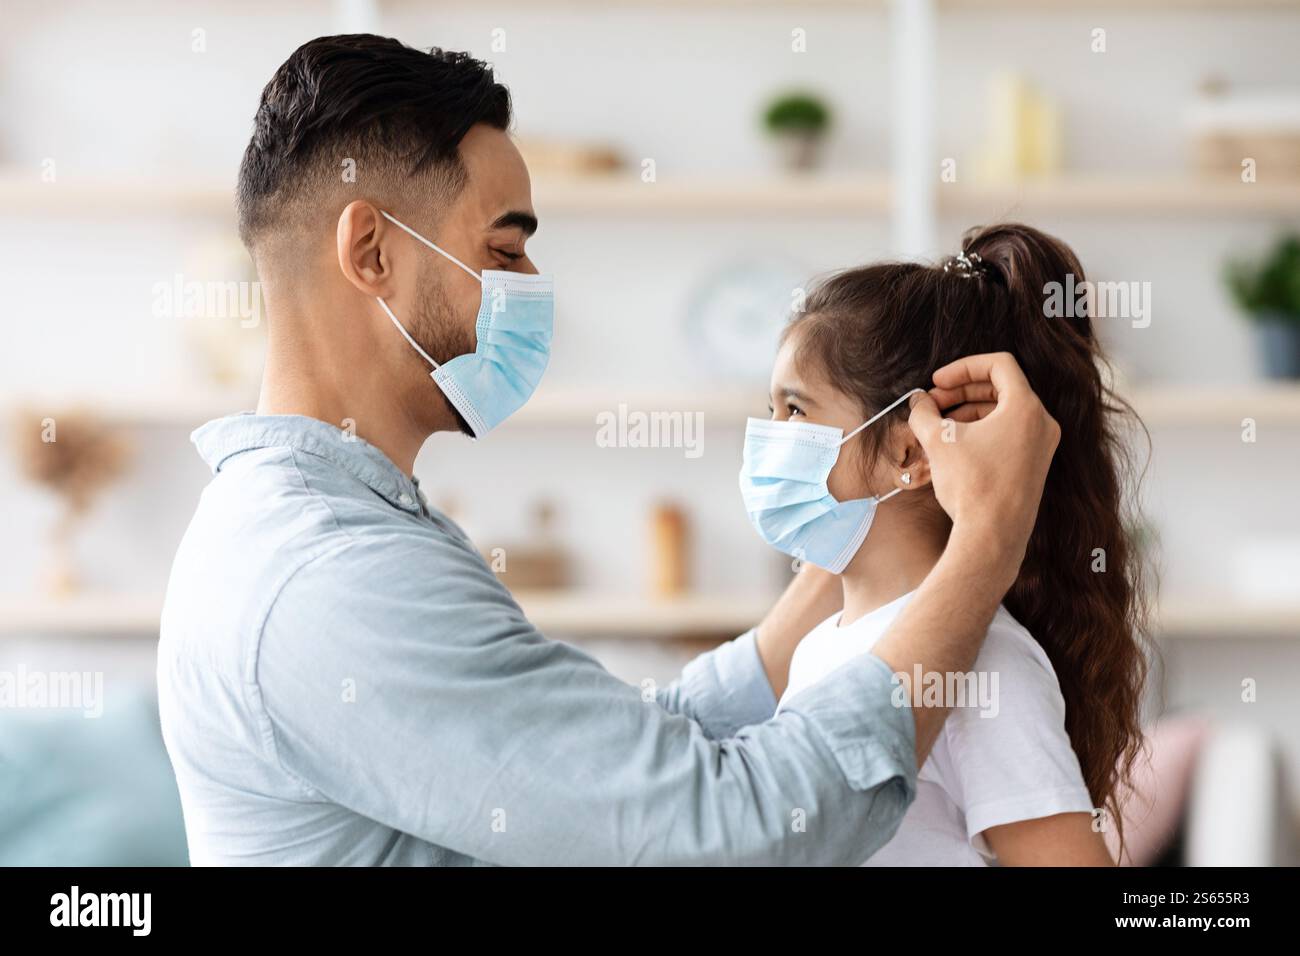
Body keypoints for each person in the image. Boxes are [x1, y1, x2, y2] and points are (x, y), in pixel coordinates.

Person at [157, 34, 1061, 866]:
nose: (531, 287)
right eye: (504, 251)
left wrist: (855, 523)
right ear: (371, 251)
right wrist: (985, 545)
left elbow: (614, 762)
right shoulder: (331, 576)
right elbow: (722, 829)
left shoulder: (324, 528)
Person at [741, 224, 1149, 866]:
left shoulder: (983, 664)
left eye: (795, 411)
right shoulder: (821, 644)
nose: (769, 437)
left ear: (909, 450)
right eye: (770, 410)